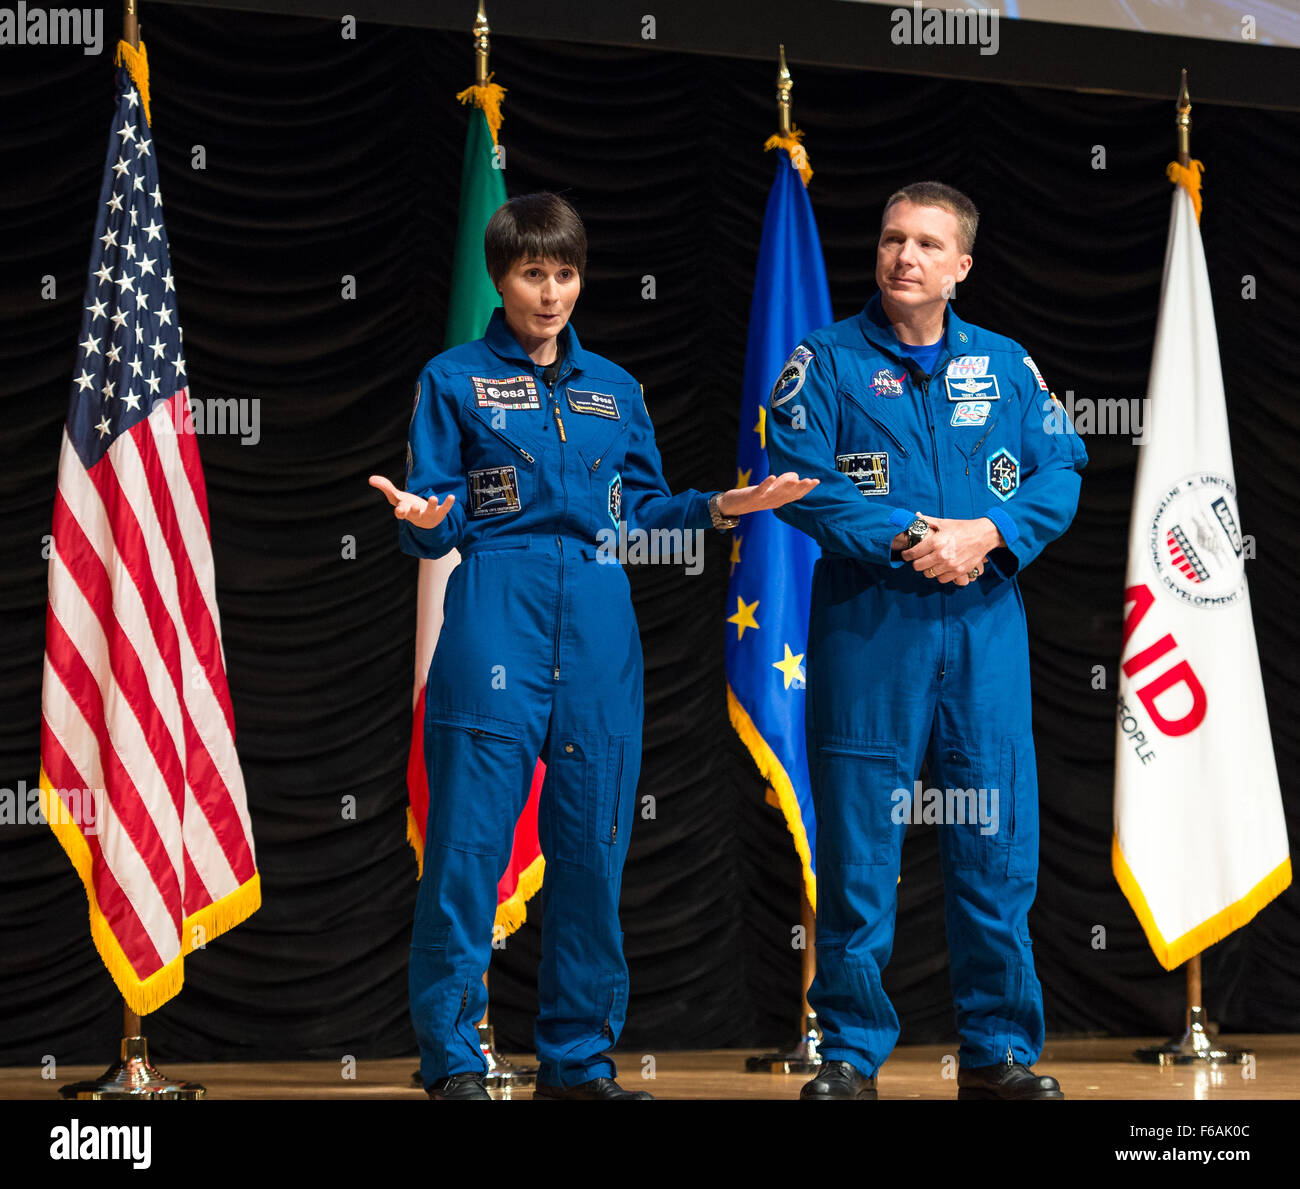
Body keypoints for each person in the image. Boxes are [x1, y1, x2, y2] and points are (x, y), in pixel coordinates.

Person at [371, 192, 814, 1100]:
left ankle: (576, 1059)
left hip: (602, 618)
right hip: (498, 601)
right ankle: (454, 1055)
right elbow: (432, 509)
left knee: (592, 843)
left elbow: (645, 513)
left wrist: (725, 507)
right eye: (534, 272)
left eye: (565, 272)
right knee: (466, 848)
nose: (551, 291)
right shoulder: (452, 377)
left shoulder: (617, 388)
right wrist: (423, 520)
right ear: (502, 277)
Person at [766, 181, 1087, 1100]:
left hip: (985, 633)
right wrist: (916, 537)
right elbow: (801, 478)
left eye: (926, 244)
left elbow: (1062, 467)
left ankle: (998, 1051)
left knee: (995, 847)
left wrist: (986, 535)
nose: (904, 257)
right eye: (891, 240)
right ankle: (851, 1054)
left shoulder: (1007, 365)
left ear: (962, 267)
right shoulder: (822, 361)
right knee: (863, 850)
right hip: (873, 629)